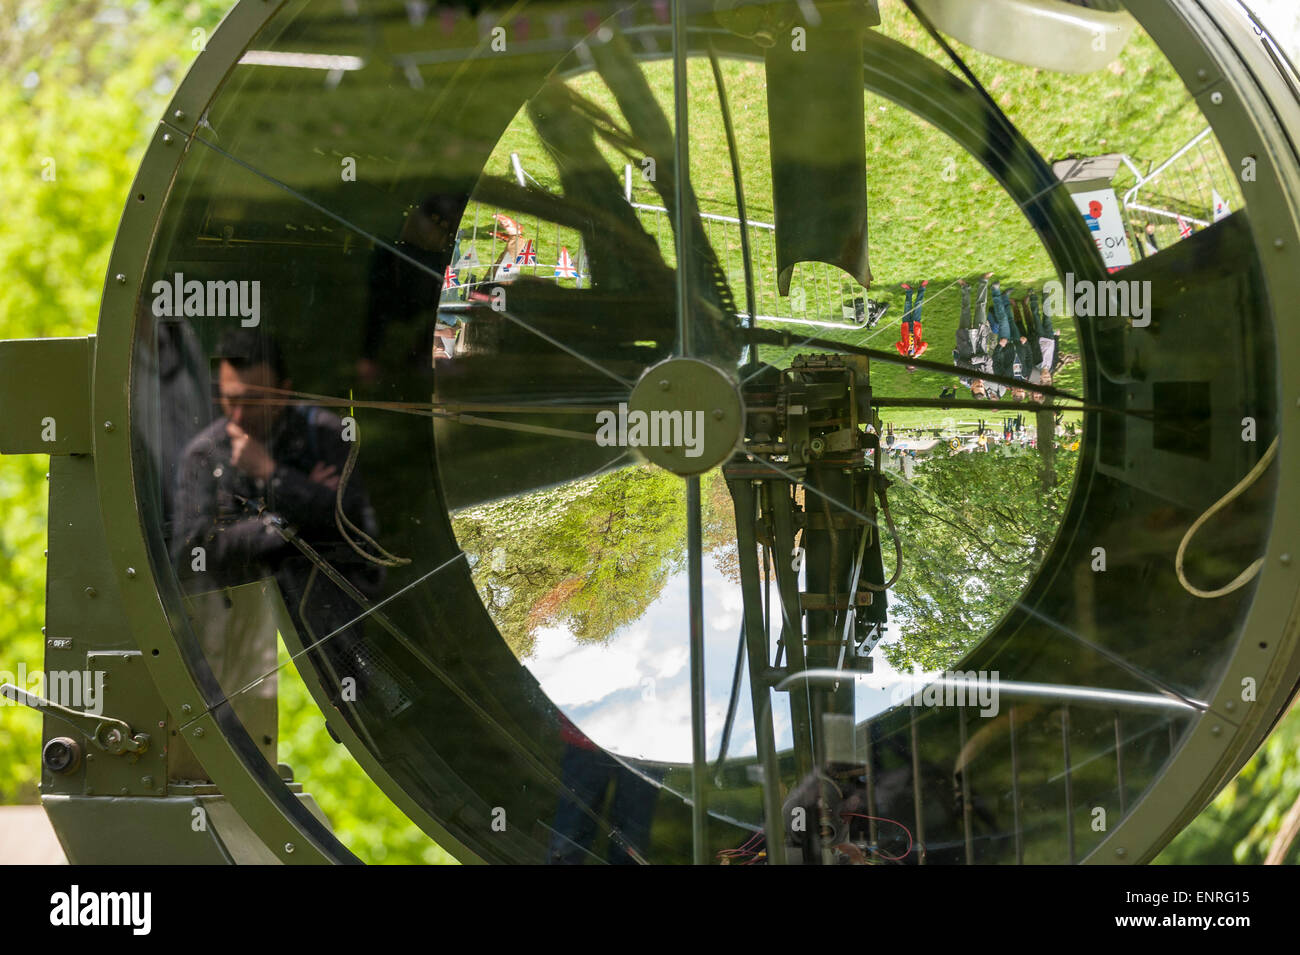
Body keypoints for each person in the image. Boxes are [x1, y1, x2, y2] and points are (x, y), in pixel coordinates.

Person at [895, 280, 929, 358]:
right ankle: (922, 288)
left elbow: (898, 344)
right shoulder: (917, 352)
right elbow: (924, 344)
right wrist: (917, 354)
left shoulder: (904, 352)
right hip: (916, 325)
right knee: (918, 304)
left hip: (906, 325)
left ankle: (909, 291)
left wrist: (903, 353)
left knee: (907, 304)